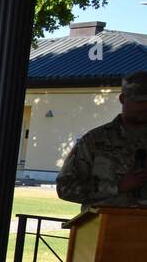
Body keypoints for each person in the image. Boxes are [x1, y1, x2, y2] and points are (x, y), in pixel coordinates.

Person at [56, 71, 147, 210]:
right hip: (106, 227)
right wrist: (116, 186)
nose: (145, 107)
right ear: (122, 98)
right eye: (140, 101)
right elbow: (65, 188)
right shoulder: (95, 141)